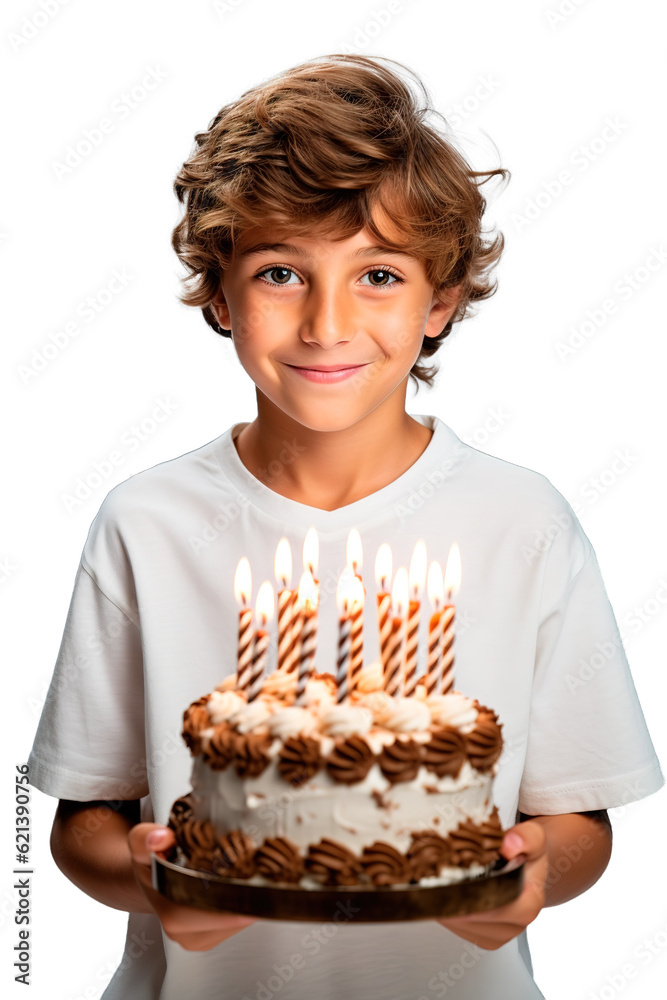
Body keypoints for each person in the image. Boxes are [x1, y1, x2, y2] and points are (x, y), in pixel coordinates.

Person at [28, 53, 664, 1000]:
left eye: (377, 274)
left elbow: (581, 823)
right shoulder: (146, 523)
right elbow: (84, 818)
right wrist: (153, 882)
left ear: (439, 301)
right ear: (219, 294)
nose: (326, 324)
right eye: (281, 273)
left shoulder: (522, 522)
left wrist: (533, 878)